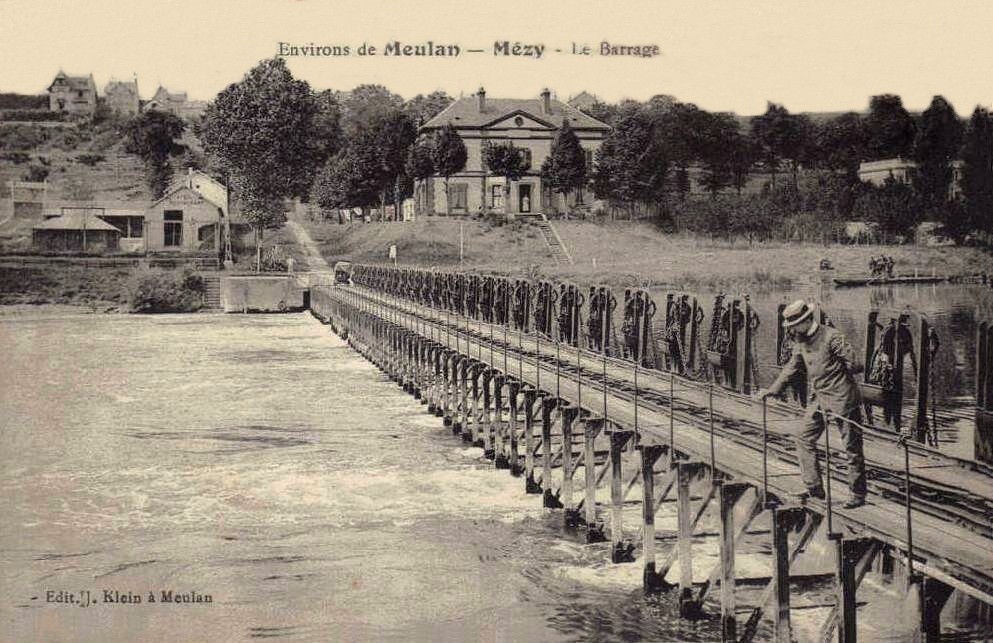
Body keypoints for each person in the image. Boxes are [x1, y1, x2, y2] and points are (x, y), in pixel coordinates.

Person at [756, 299, 868, 509]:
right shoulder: (801, 341)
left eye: (793, 326)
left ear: (806, 320)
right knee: (803, 438)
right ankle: (815, 489)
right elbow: (792, 367)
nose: (791, 330)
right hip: (819, 399)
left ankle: (857, 494)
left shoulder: (832, 336)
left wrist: (838, 375)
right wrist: (772, 390)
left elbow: (857, 364)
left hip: (842, 398)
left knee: (851, 447)